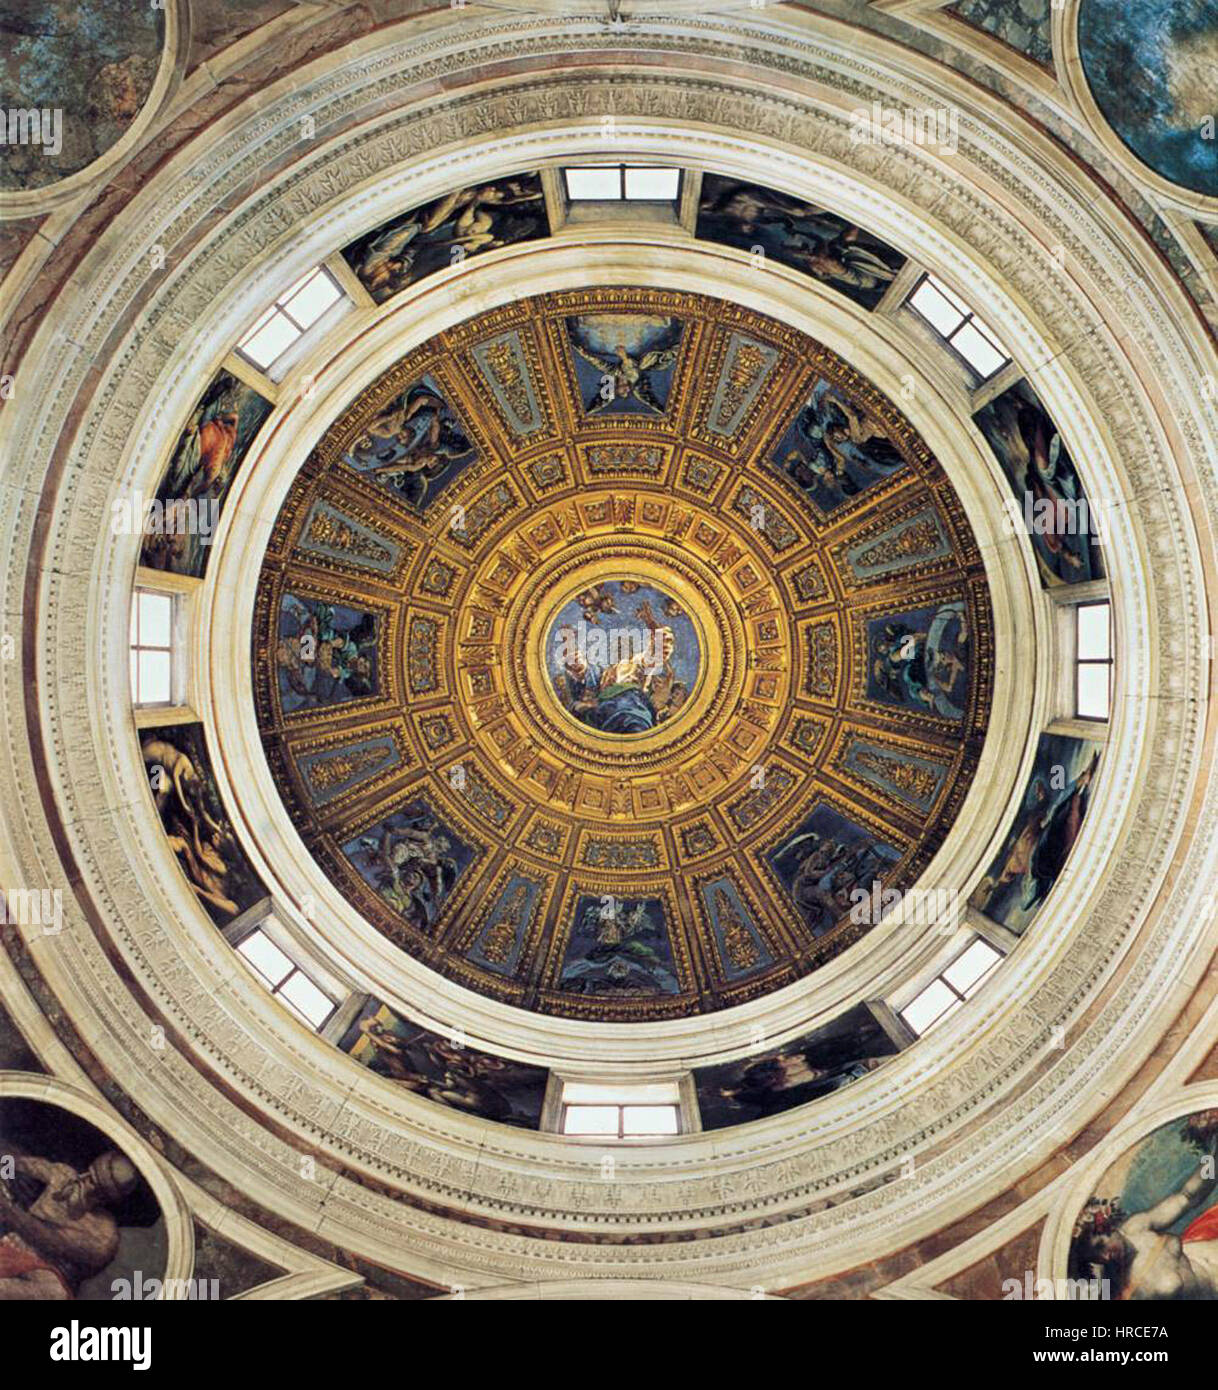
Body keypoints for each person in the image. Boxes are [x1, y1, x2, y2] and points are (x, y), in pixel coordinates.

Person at [0, 1149, 139, 1300]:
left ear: (107, 1198)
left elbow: (47, 1240)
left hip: (46, 1271)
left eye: (94, 1183)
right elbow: (14, 1162)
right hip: (11, 1245)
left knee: (55, 1294)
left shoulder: (104, 1233)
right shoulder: (63, 1176)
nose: (83, 1180)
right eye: (89, 1173)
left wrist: (9, 1210)